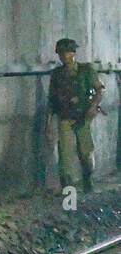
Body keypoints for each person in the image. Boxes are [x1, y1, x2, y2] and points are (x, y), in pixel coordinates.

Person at [48, 37, 105, 194]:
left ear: (73, 53)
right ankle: (68, 197)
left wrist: (93, 107)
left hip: (82, 117)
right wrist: (49, 126)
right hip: (64, 118)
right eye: (60, 53)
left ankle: (87, 180)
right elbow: (51, 101)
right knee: (64, 158)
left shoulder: (86, 71)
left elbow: (99, 90)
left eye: (66, 53)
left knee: (85, 154)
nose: (63, 56)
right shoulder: (57, 74)